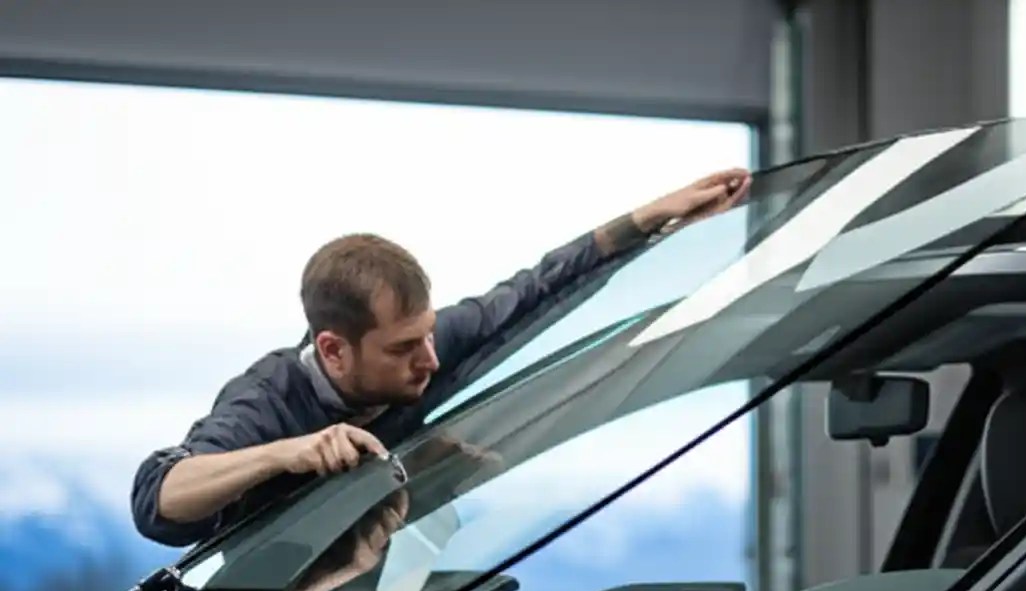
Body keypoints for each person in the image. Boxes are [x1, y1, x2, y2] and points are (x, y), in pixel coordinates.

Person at [131, 168, 752, 548]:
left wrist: (652, 219)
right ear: (333, 350)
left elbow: (538, 286)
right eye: (404, 348)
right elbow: (158, 499)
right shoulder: (266, 399)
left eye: (427, 334)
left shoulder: (427, 347)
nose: (429, 359)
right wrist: (289, 453)